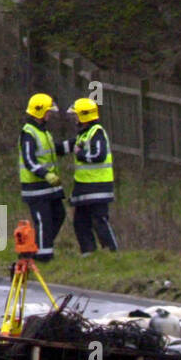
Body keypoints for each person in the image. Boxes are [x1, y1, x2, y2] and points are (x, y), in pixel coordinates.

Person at [19, 93, 73, 261]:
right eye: (48, 112)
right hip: (36, 188)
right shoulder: (29, 133)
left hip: (48, 187)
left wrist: (73, 144)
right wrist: (46, 174)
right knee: (43, 221)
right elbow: (29, 160)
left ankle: (39, 248)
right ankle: (43, 256)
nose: (50, 115)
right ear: (40, 112)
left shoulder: (43, 132)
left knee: (58, 215)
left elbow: (53, 151)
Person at [67, 98, 120, 255]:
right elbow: (69, 145)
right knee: (80, 222)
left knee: (99, 220)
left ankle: (111, 252)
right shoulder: (84, 135)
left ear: (84, 116)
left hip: (98, 186)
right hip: (85, 187)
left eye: (76, 115)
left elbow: (99, 155)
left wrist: (81, 154)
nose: (74, 118)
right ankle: (88, 253)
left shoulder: (96, 132)